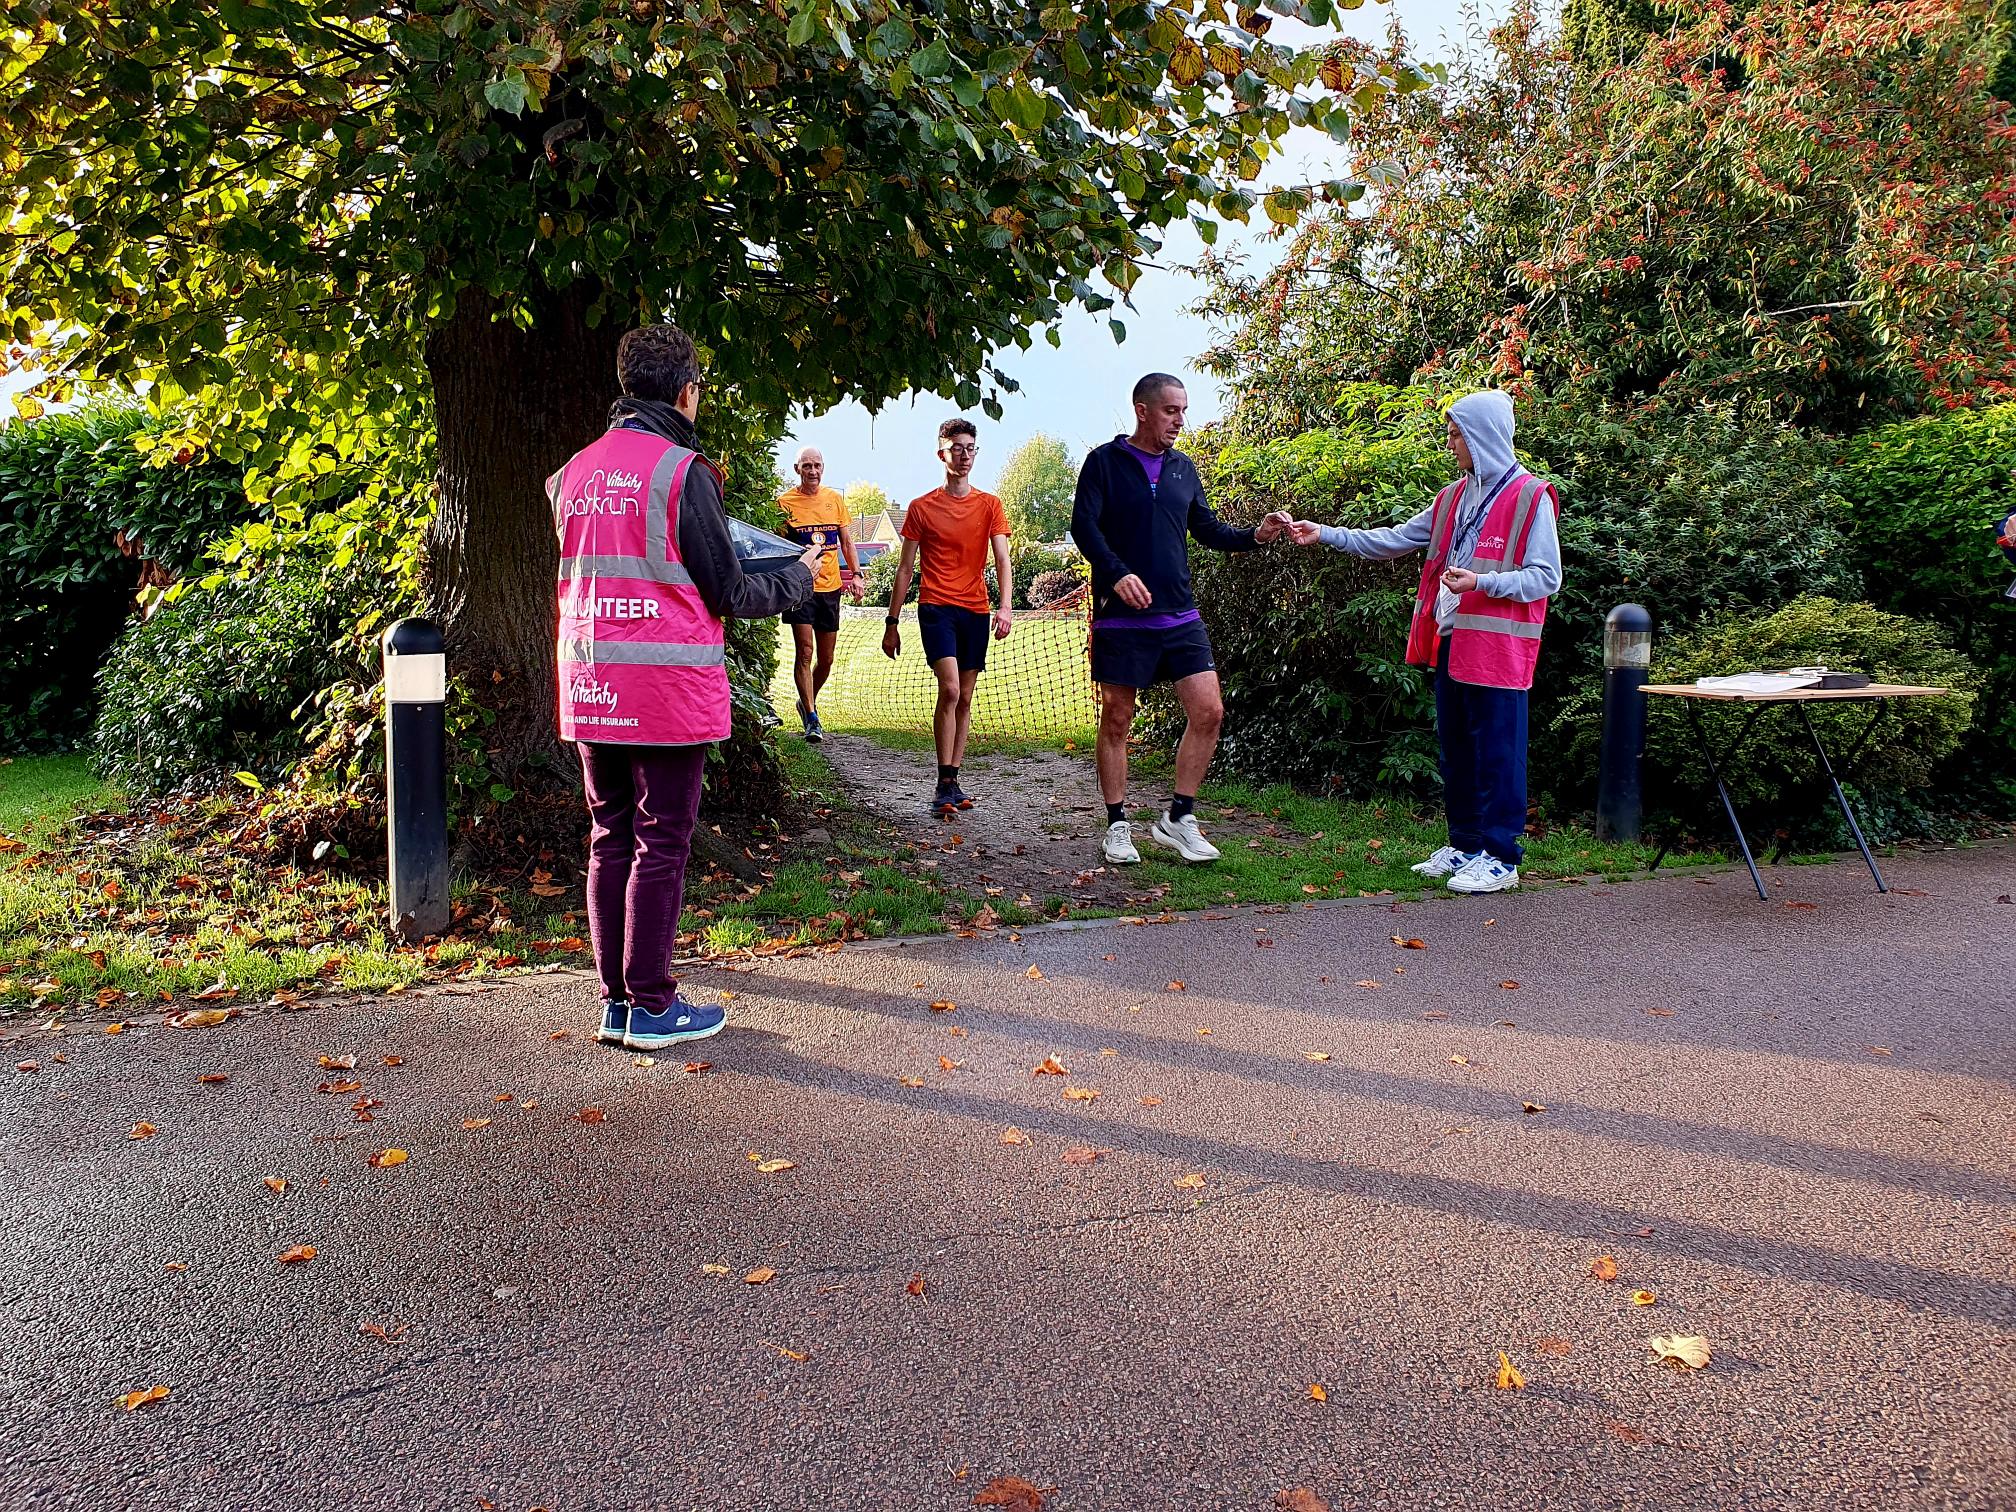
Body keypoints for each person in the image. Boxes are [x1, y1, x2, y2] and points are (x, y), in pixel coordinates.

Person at [546, 324, 819, 1050]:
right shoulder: (680, 470)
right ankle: (656, 1005)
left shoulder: (571, 472)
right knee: (662, 840)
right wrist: (798, 577)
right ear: (687, 391)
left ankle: (617, 1004)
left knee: (610, 837)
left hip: (590, 677)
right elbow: (727, 588)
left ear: (625, 383)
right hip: (663, 687)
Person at [1286, 390, 1561, 895]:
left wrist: (1482, 583)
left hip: (1499, 650)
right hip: (1454, 641)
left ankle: (1502, 856)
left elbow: (1547, 577)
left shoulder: (1529, 497)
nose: (1451, 442)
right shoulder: (1454, 497)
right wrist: (1324, 533)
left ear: (1482, 437)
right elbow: (1392, 539)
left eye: (1457, 434)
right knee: (1456, 749)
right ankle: (1466, 844)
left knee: (1499, 752)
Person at [1070, 373, 1291, 865]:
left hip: (1179, 614)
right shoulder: (1103, 463)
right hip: (1120, 618)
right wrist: (1117, 574)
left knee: (1209, 711)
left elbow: (1207, 528)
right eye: (1171, 410)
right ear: (1143, 409)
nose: (1179, 420)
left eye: (1183, 411)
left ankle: (1179, 817)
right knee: (1117, 718)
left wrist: (1255, 535)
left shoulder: (1183, 469)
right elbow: (1083, 526)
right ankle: (1117, 825)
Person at [880, 418, 1013, 814]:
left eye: (971, 447)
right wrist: (891, 622)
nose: (965, 454)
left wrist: (1005, 606)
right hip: (935, 607)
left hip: (976, 609)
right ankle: (942, 783)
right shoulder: (922, 508)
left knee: (966, 696)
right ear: (942, 453)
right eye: (957, 447)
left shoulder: (990, 505)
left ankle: (953, 781)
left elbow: (1003, 559)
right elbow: (905, 568)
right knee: (951, 690)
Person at [775, 446, 863, 742]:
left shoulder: (834, 500)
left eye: (817, 466)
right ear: (797, 468)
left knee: (825, 660)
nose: (813, 471)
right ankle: (812, 717)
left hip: (831, 587)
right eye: (807, 466)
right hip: (800, 587)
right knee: (805, 652)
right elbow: (778, 547)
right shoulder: (784, 503)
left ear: (823, 469)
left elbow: (848, 543)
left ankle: (805, 700)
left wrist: (857, 575)